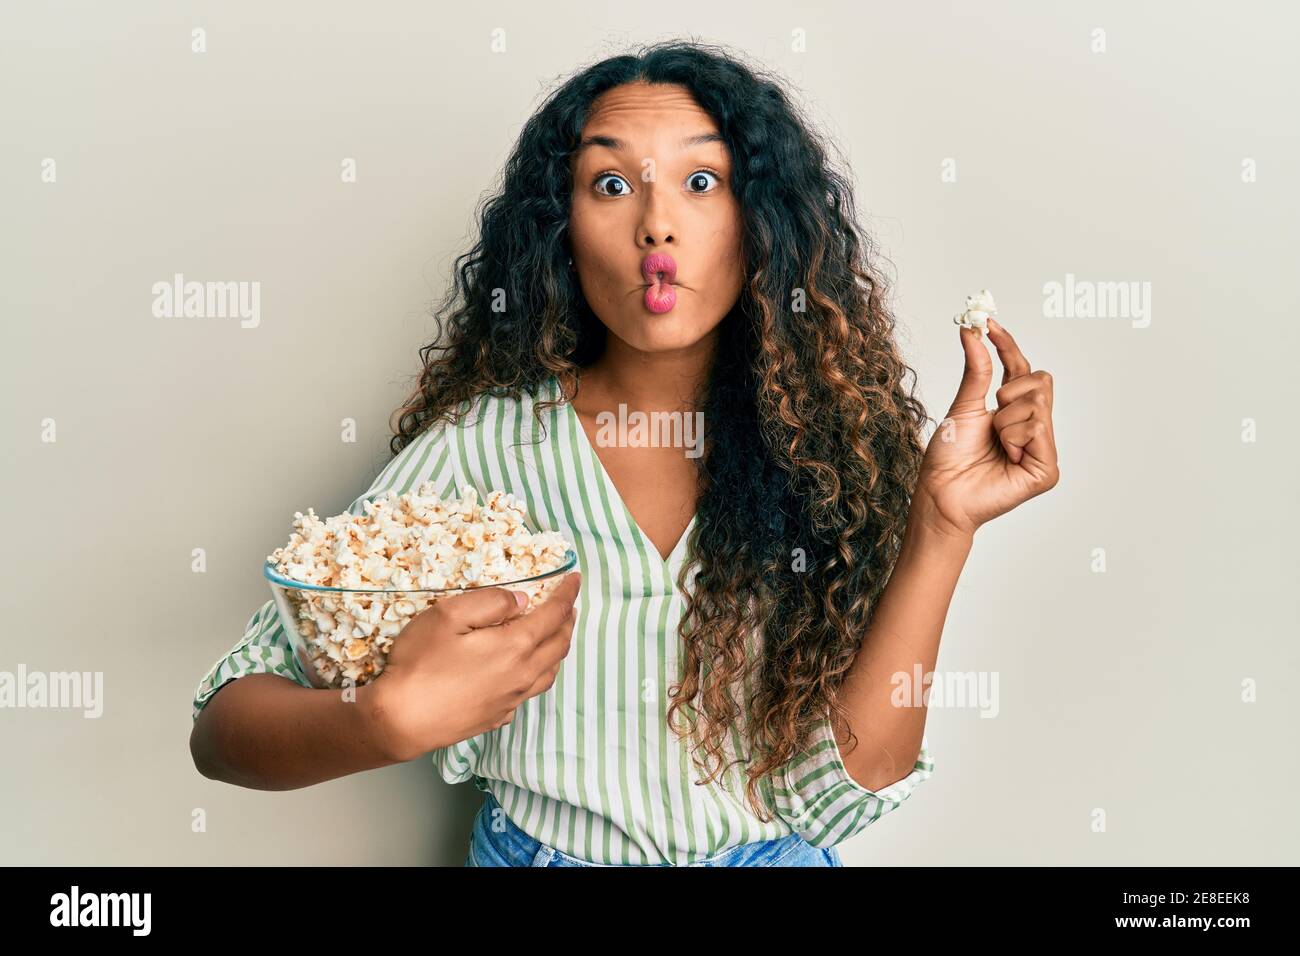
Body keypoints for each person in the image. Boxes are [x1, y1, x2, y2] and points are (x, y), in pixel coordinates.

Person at [189, 40, 1060, 867]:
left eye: (701, 181)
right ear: (558, 231)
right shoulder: (480, 453)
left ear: (762, 223)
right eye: (610, 183)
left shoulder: (834, 462)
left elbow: (845, 789)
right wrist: (377, 721)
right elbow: (225, 728)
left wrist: (942, 525)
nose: (657, 225)